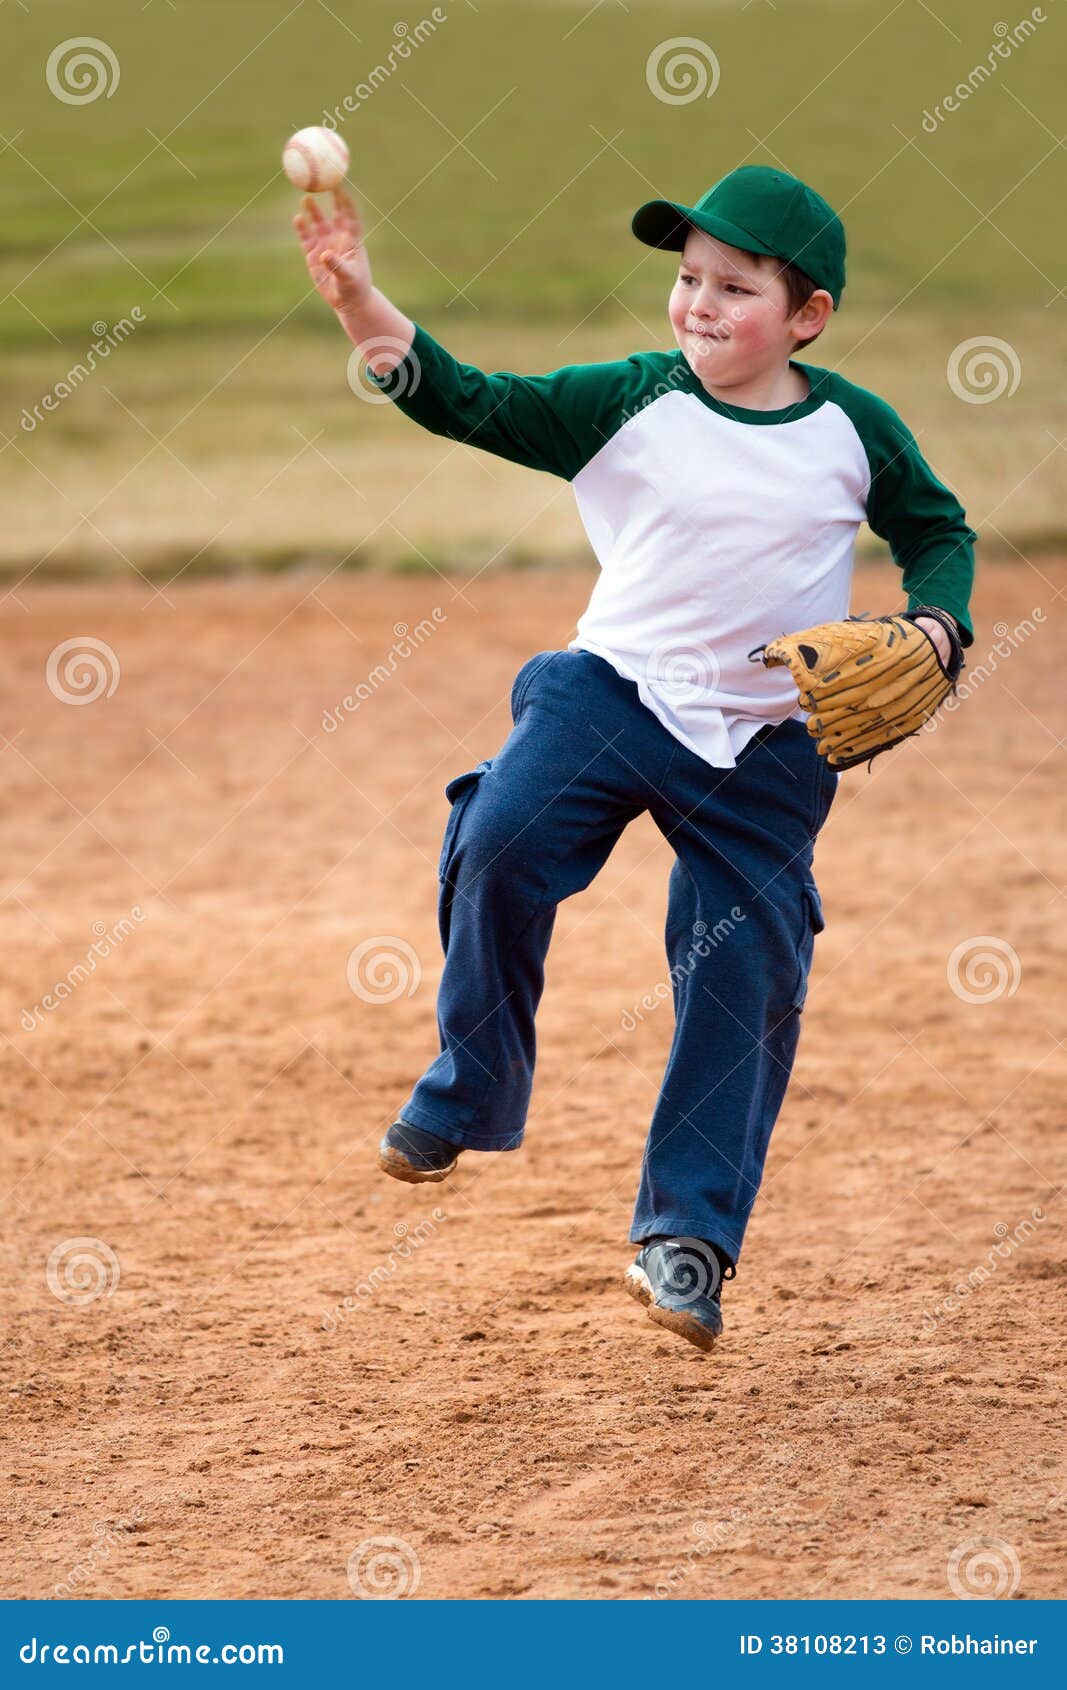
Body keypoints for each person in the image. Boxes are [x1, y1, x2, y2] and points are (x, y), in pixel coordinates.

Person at [294, 165, 976, 1353]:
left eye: (732, 286)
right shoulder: (632, 398)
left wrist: (935, 624)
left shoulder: (850, 430)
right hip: (612, 693)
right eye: (685, 279)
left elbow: (937, 530)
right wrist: (361, 302)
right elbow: (469, 400)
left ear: (805, 315)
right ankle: (470, 1088)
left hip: (764, 743)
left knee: (743, 964)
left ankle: (686, 1243)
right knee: (501, 835)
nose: (697, 305)